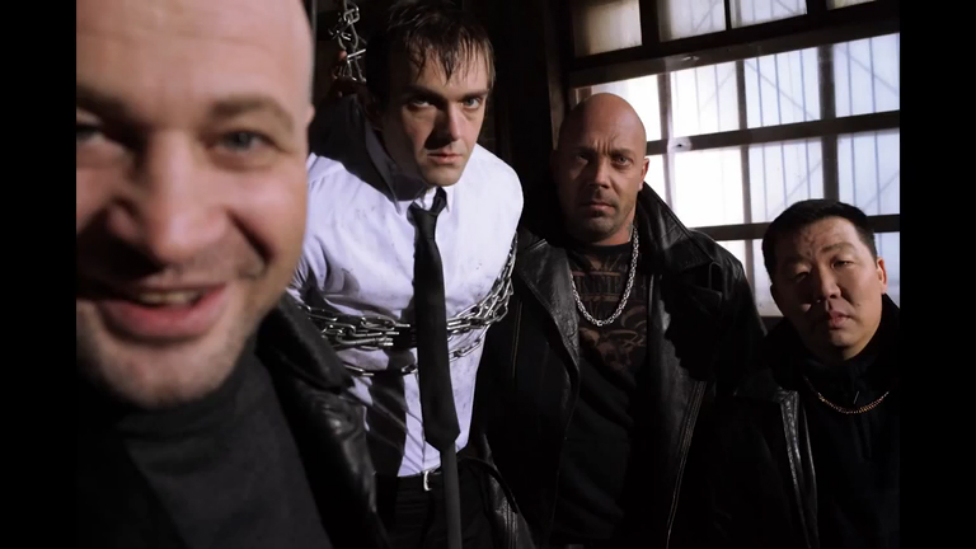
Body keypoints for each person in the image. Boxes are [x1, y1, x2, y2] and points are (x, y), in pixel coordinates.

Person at [76, 0, 385, 547]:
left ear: (301, 147)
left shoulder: (294, 367)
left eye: (242, 138)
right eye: (85, 134)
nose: (170, 236)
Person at [476, 93, 766, 549]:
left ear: (642, 172)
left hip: (670, 532)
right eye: (582, 157)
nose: (599, 177)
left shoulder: (707, 275)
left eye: (620, 160)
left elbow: (750, 424)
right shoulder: (498, 264)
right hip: (540, 533)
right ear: (556, 165)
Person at [288, 1, 527, 548]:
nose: (453, 132)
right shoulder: (307, 209)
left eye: (471, 101)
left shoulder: (500, 193)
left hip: (463, 476)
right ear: (372, 105)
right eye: (424, 101)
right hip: (346, 486)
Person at [704, 199, 899, 549]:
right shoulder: (750, 401)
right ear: (779, 298)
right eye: (800, 275)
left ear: (880, 274)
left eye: (841, 262)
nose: (824, 288)